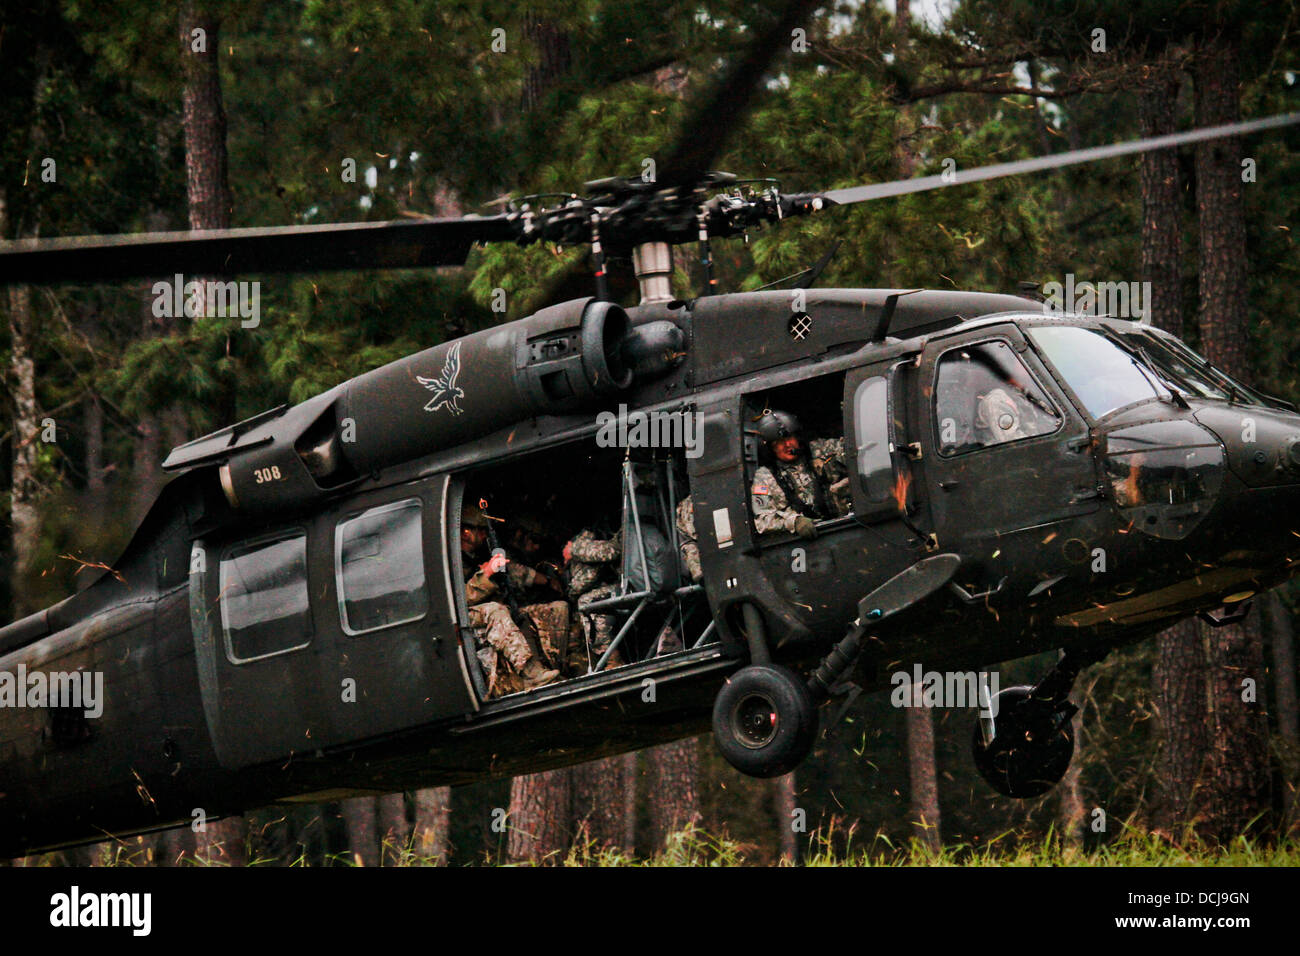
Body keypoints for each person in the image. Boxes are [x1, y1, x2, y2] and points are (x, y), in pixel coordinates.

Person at [461, 502, 562, 697]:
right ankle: (530, 673)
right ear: (466, 532)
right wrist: (486, 573)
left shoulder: (474, 556)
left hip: (486, 611)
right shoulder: (451, 559)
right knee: (495, 610)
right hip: (462, 617)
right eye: (480, 530)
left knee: (557, 608)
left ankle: (555, 666)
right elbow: (459, 599)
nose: (483, 535)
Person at [750, 410, 851, 538]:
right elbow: (762, 520)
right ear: (771, 448)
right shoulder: (764, 477)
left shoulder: (820, 450)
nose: (787, 444)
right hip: (807, 542)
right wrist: (794, 521)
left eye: (789, 438)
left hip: (843, 527)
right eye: (779, 442)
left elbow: (851, 451)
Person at [563, 527, 624, 672]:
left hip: (631, 584)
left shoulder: (625, 530)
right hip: (630, 582)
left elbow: (610, 551)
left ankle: (611, 657)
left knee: (588, 602)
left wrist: (573, 549)